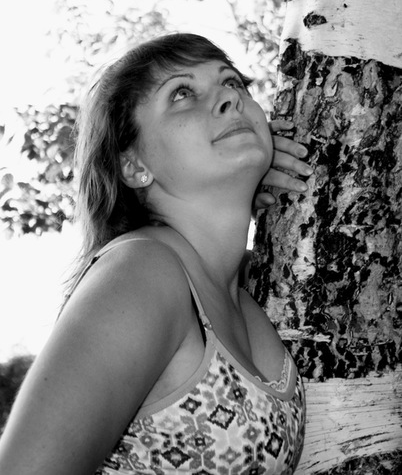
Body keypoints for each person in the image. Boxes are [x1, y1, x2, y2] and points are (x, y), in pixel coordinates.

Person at [0, 33, 312, 474]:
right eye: (182, 94)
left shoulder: (245, 282)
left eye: (232, 82)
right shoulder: (142, 272)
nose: (231, 98)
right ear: (134, 166)